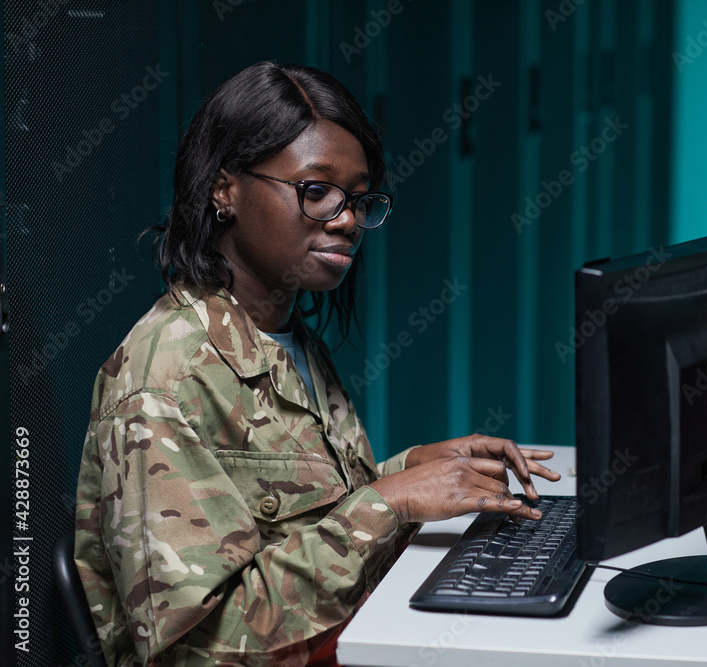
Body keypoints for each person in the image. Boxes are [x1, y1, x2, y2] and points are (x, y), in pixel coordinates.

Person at [74, 61, 559, 666]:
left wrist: (415, 472)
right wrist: (391, 503)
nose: (348, 218)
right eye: (317, 190)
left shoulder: (285, 335)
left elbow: (298, 520)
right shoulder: (162, 385)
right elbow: (198, 649)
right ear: (225, 189)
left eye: (358, 198)